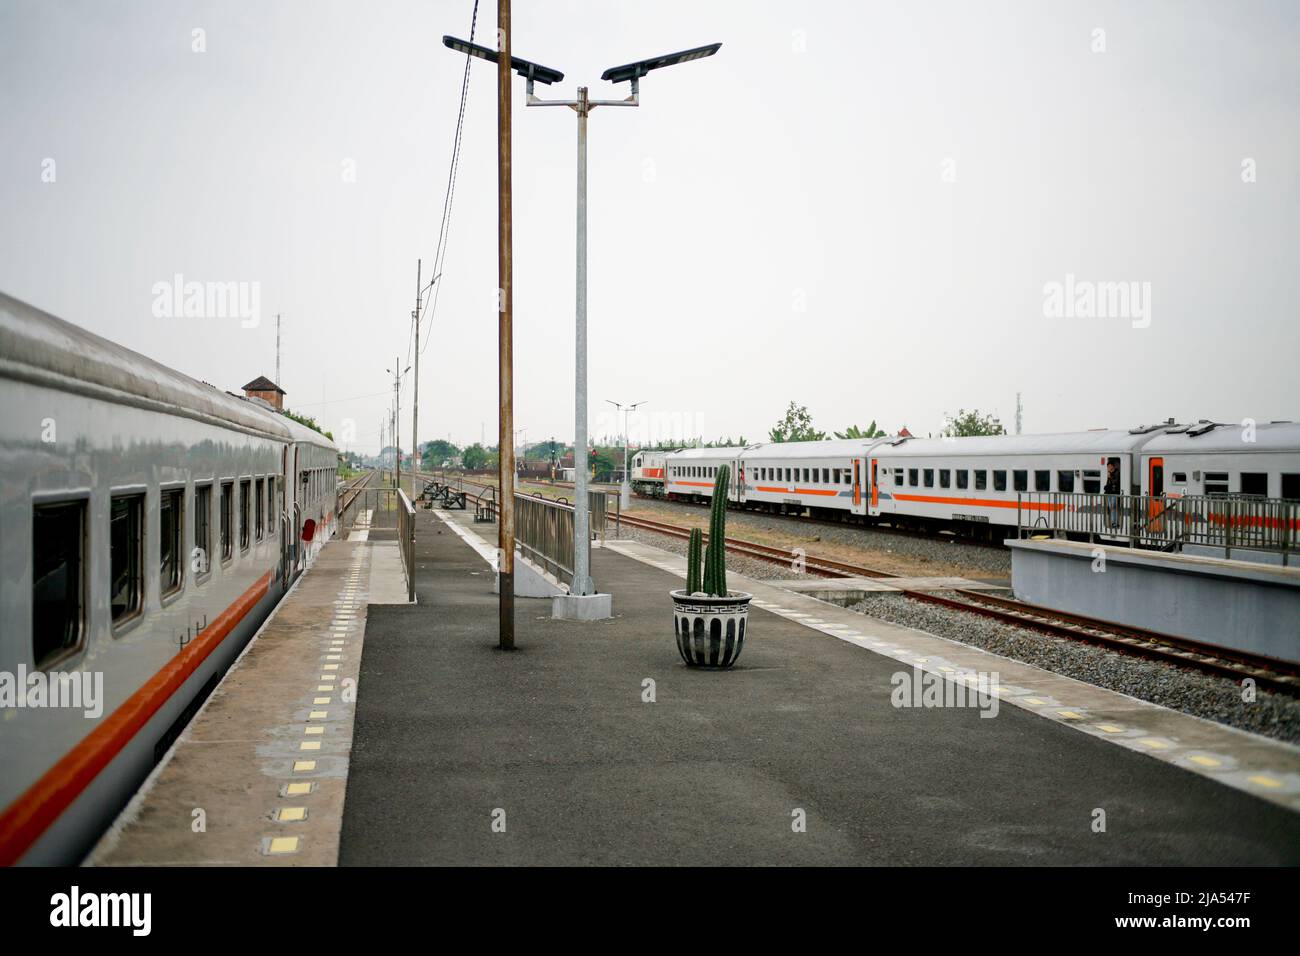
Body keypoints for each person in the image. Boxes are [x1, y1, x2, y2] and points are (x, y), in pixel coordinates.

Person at [1104, 459, 1121, 527]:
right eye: (1108, 466)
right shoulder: (1109, 473)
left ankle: (1115, 523)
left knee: (1113, 507)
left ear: (1113, 466)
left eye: (1110, 466)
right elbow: (1108, 483)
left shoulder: (1117, 473)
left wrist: (1110, 477)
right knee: (1111, 508)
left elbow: (1115, 482)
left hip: (1115, 493)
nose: (1109, 468)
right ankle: (1113, 522)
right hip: (1109, 493)